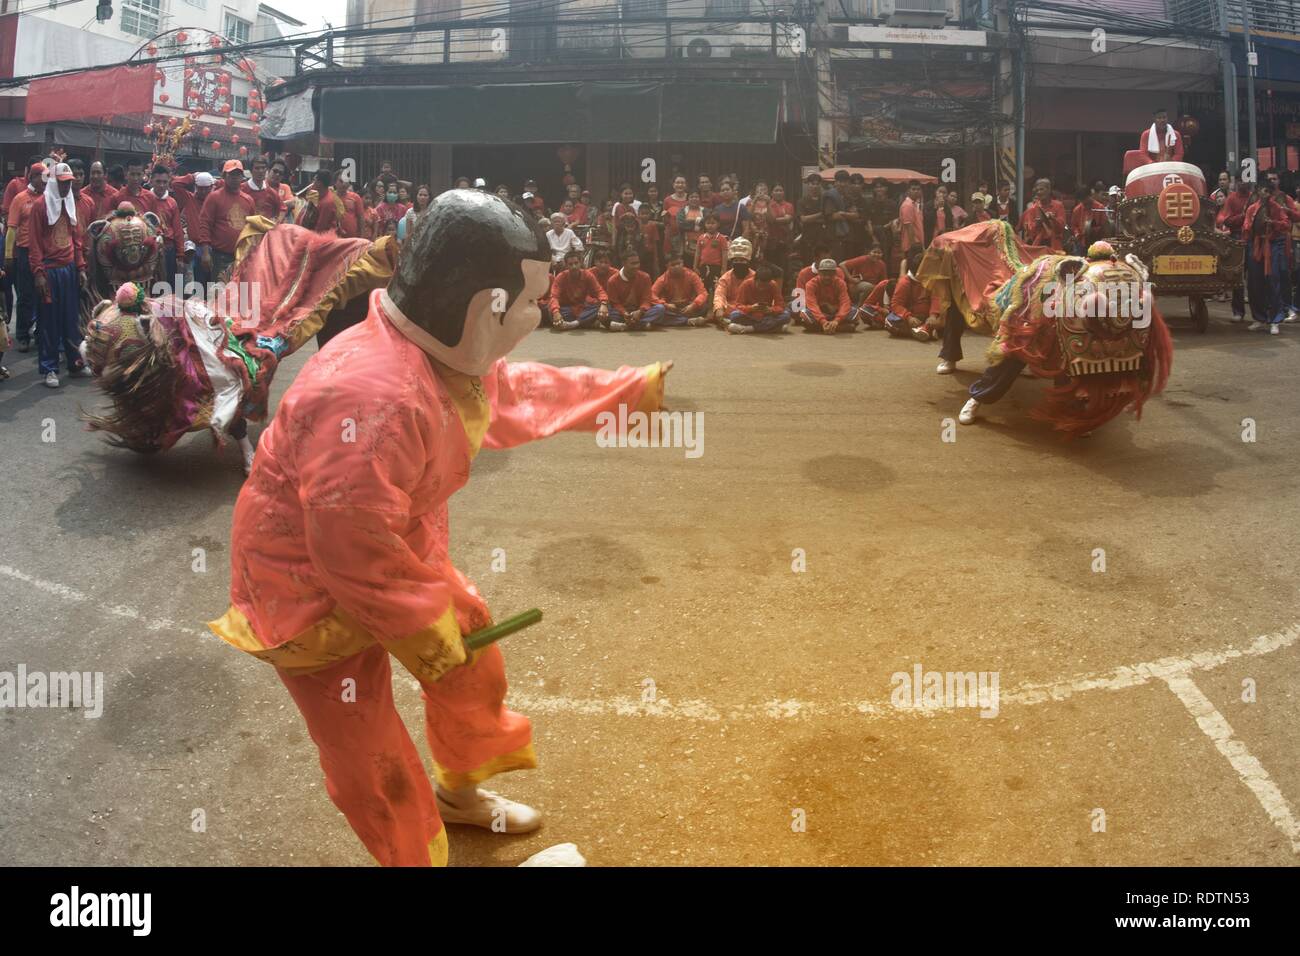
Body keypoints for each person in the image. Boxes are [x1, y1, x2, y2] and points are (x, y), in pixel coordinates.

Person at [208, 190, 673, 868]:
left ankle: (460, 795)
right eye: (530, 303)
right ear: (486, 307)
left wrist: (627, 390)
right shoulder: (372, 399)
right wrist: (430, 631)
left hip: (394, 545)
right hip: (307, 590)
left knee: (472, 664)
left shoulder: (431, 354)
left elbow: (512, 392)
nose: (537, 317)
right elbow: (349, 552)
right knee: (373, 761)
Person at [29, 163, 87, 387]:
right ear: (54, 181)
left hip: (69, 268)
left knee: (71, 319)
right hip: (50, 270)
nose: (66, 187)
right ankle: (49, 368)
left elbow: (77, 239)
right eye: (63, 183)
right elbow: (34, 243)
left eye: (69, 182)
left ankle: (75, 363)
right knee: (49, 322)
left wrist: (80, 267)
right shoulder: (40, 206)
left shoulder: (69, 202)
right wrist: (38, 273)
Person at [1243, 181, 1296, 334]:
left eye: (1267, 191)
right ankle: (1259, 318)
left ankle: (1275, 320)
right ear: (1258, 191)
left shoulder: (1277, 208)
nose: (1264, 193)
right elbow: (1246, 226)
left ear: (1271, 193)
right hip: (1257, 244)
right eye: (1261, 190)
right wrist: (1251, 227)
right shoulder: (1252, 208)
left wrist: (1272, 223)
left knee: (1273, 280)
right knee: (1254, 282)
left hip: (1273, 245)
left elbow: (1286, 224)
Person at [5, 162, 46, 353]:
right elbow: (12, 229)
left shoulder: (47, 198)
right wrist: (8, 256)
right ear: (33, 177)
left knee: (43, 294)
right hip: (24, 252)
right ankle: (22, 335)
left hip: (43, 253)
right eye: (41, 177)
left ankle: (40, 333)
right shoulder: (20, 199)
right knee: (25, 295)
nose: (45, 181)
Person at [198, 159, 257, 285]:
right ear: (224, 176)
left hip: (241, 257)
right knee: (219, 293)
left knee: (240, 293)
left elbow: (252, 228)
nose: (235, 178)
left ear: (242, 177)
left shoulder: (248, 200)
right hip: (220, 256)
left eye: (238, 175)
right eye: (231, 175)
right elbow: (204, 224)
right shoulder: (214, 197)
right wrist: (205, 252)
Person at [140, 164, 184, 284]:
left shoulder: (172, 202)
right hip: (149, 250)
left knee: (168, 286)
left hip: (168, 249)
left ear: (169, 182)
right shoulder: (145, 199)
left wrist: (180, 255)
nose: (161, 185)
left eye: (165, 182)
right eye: (158, 181)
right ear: (151, 181)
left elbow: (178, 230)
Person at [1216, 179, 1252, 323]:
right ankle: (1238, 311)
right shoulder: (1231, 198)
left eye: (1246, 181)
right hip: (1237, 236)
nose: (1244, 184)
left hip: (1253, 237)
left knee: (1255, 276)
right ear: (1237, 182)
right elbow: (1226, 220)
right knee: (1238, 276)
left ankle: (1258, 312)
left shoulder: (1253, 196)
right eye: (1241, 181)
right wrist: (1244, 217)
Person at [545, 249, 606, 329]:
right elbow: (554, 296)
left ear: (580, 263)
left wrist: (603, 304)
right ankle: (585, 322)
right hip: (566, 309)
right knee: (550, 310)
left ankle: (575, 323)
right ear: (566, 266)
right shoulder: (561, 277)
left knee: (601, 306)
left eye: (576, 263)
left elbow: (599, 291)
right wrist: (556, 312)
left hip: (581, 308)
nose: (574, 266)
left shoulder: (588, 275)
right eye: (570, 264)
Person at [726, 261, 790, 335]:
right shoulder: (746, 284)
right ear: (755, 279)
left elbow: (780, 305)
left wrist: (771, 310)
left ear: (769, 282)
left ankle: (747, 329)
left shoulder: (773, 285)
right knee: (734, 315)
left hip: (766, 314)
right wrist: (751, 308)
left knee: (786, 315)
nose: (762, 288)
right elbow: (738, 305)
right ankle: (774, 328)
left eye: (765, 286)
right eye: (760, 285)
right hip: (750, 314)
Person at [651, 251, 709, 326]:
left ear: (683, 263)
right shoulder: (662, 279)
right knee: (660, 309)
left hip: (688, 307)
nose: (677, 267)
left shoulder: (692, 275)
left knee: (704, 306)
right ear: (667, 266)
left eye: (679, 263)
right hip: (671, 308)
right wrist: (666, 305)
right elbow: (651, 295)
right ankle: (686, 321)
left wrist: (693, 305)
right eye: (673, 265)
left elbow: (703, 293)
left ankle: (675, 320)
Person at [711, 237, 757, 329]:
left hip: (751, 308)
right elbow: (719, 295)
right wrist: (719, 308)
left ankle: (738, 325)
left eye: (742, 261)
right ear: (732, 262)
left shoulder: (756, 277)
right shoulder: (725, 277)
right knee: (724, 310)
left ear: (748, 262)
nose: (739, 263)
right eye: (736, 261)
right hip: (731, 308)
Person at [797, 258, 853, 334]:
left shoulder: (841, 283)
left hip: (836, 311)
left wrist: (837, 320)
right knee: (804, 313)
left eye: (830, 274)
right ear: (819, 272)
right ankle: (836, 328)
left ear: (835, 273)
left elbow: (845, 303)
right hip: (820, 312)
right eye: (824, 273)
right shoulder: (811, 284)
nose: (827, 277)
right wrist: (823, 321)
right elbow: (812, 305)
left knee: (854, 312)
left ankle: (822, 328)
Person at [841, 243, 889, 326]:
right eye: (874, 252)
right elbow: (842, 264)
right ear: (869, 252)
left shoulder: (882, 264)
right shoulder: (862, 259)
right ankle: (860, 309)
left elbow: (884, 281)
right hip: (857, 287)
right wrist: (850, 279)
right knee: (868, 287)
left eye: (879, 253)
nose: (876, 255)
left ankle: (867, 310)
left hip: (872, 289)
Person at [1022, 178, 1066, 251]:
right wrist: (1037, 223)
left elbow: (1061, 227)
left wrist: (1053, 219)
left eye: (1041, 189)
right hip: (1038, 247)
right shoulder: (1032, 209)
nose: (1039, 192)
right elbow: (1030, 231)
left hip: (1055, 247)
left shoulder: (1058, 206)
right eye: (1037, 190)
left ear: (1049, 190)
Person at [694, 213, 728, 294]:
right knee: (703, 288)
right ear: (705, 224)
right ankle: (703, 304)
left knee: (715, 288)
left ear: (718, 224)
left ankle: (713, 305)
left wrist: (723, 269)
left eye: (713, 223)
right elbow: (697, 252)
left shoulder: (721, 238)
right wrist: (695, 266)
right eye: (708, 223)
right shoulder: (701, 237)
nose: (710, 225)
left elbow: (724, 254)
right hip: (703, 267)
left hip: (716, 267)